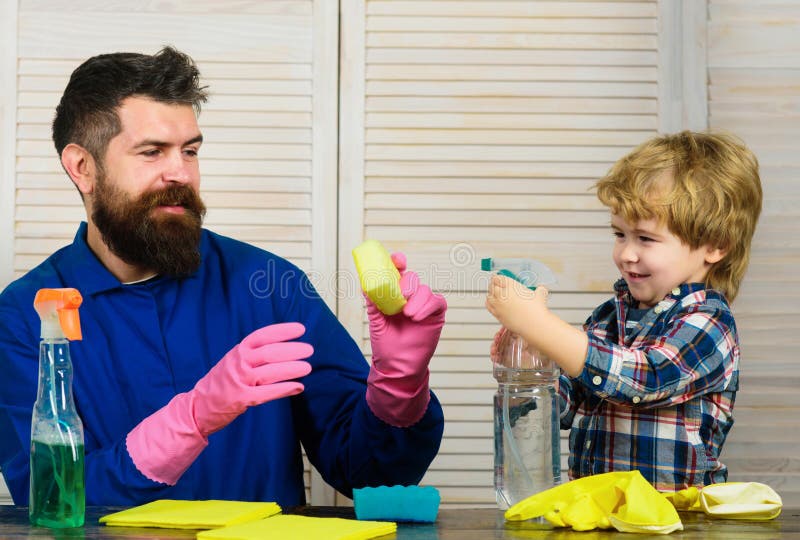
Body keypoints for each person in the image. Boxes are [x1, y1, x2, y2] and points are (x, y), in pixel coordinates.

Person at [0, 47, 446, 507]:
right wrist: (190, 419)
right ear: (82, 167)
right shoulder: (22, 317)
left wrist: (399, 385)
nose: (180, 173)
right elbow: (49, 498)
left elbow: (365, 474)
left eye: (189, 151)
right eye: (152, 152)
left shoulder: (269, 286)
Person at [486, 131, 762, 492]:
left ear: (715, 246)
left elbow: (647, 379)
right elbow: (565, 407)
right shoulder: (606, 318)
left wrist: (543, 327)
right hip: (596, 511)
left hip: (673, 519)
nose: (626, 254)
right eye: (620, 234)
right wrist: (533, 359)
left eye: (645, 238)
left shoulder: (709, 322)